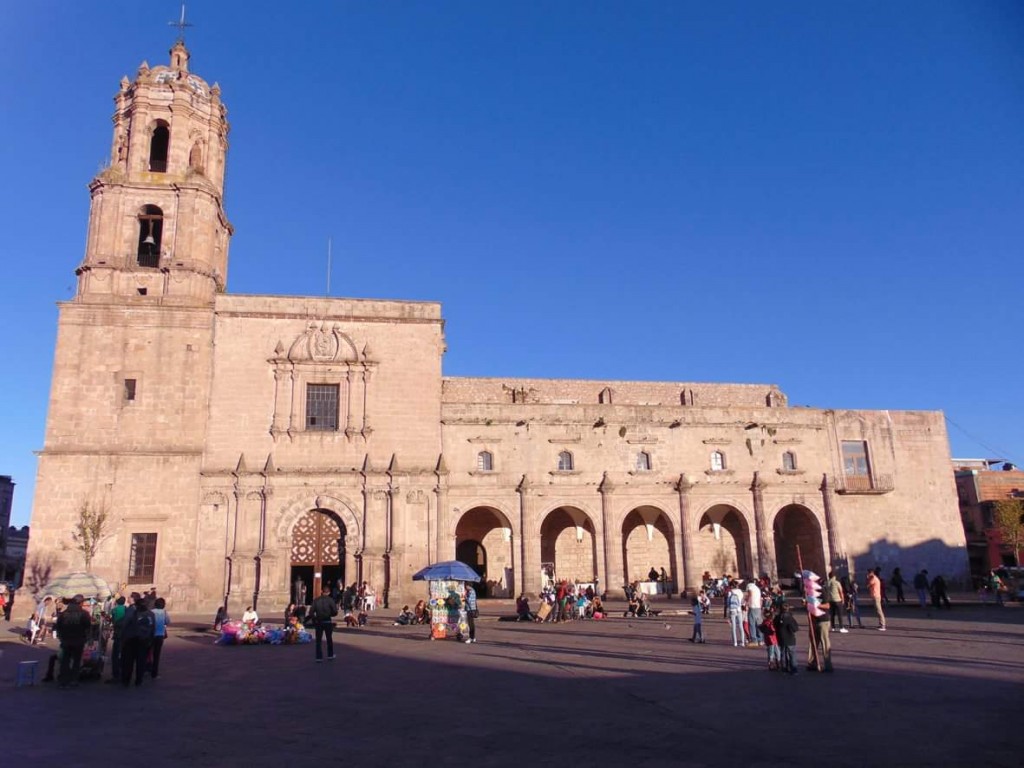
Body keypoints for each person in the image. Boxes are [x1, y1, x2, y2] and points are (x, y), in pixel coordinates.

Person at [55, 595, 93, 688]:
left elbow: (58, 626)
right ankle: (74, 680)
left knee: (65, 660)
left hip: (66, 640)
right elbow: (88, 626)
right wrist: (88, 637)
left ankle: (63, 680)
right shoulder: (84, 614)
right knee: (76, 660)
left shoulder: (63, 614)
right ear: (81, 603)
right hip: (78, 639)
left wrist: (61, 636)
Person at [120, 595, 155, 687]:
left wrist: (123, 637)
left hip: (132, 640)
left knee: (129, 662)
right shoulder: (151, 614)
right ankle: (138, 680)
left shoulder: (133, 613)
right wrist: (151, 640)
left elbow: (124, 624)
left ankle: (126, 680)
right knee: (141, 662)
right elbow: (153, 628)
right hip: (144, 640)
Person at [310, 586, 338, 661]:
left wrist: (315, 619)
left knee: (318, 640)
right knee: (329, 639)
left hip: (319, 621)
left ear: (322, 591)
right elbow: (335, 612)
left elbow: (311, 612)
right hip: (327, 621)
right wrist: (330, 614)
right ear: (329, 592)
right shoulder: (330, 600)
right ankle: (330, 655)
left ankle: (319, 657)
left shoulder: (316, 600)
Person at [774, 603, 799, 675]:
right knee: (792, 654)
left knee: (783, 653)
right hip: (790, 638)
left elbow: (775, 626)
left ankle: (784, 668)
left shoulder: (777, 617)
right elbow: (795, 628)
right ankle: (793, 669)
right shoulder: (790, 618)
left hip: (781, 638)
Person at [150, 597, 170, 679]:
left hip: (151, 635)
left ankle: (145, 669)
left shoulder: (151, 612)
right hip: (160, 635)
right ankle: (154, 673)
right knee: (156, 655)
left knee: (148, 653)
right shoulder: (164, 613)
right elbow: (168, 622)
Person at [745, 579, 764, 645]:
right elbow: (760, 599)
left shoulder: (750, 586)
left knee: (752, 624)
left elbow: (750, 594)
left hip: (752, 607)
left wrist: (747, 602)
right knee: (758, 623)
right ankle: (761, 639)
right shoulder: (757, 588)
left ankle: (754, 640)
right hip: (758, 607)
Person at [726, 582, 744, 647]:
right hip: (739, 609)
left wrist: (727, 615)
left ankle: (735, 642)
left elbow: (728, 603)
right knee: (740, 626)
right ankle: (742, 642)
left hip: (732, 610)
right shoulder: (740, 591)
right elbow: (742, 600)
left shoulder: (730, 592)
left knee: (733, 627)